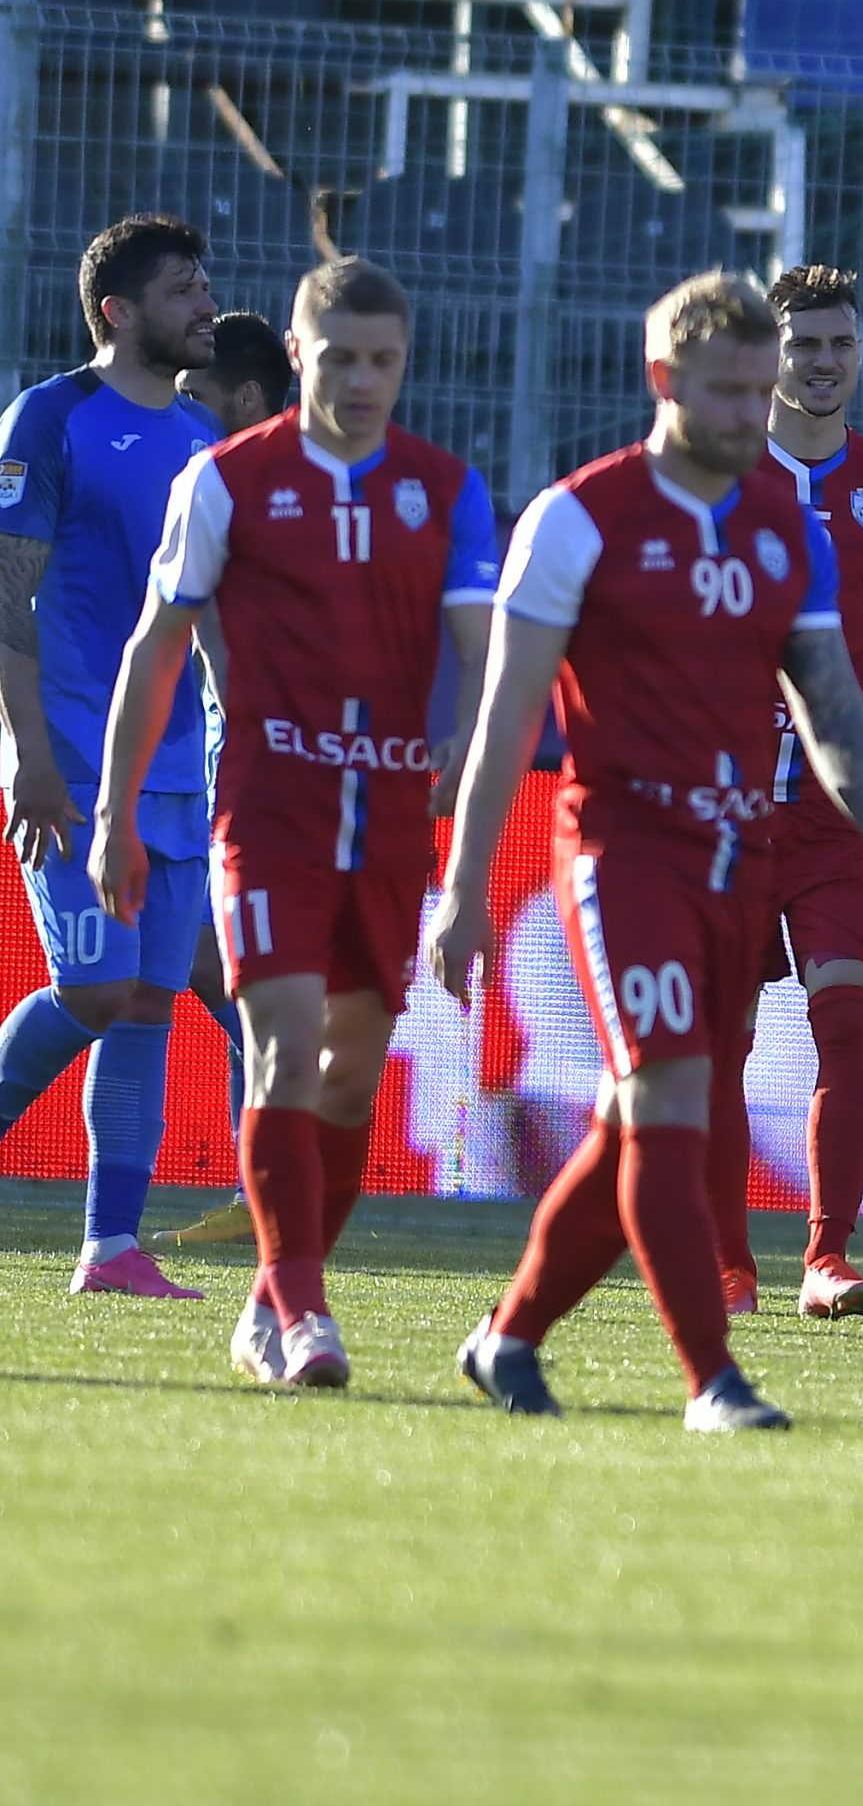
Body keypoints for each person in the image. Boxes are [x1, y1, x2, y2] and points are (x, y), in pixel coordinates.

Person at [426, 271, 863, 1433]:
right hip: (623, 854)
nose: (757, 412)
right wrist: (461, 889)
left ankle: (507, 1338)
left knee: (634, 1121)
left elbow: (833, 705)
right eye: (731, 389)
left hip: (742, 853)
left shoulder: (779, 528)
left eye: (764, 389)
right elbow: (509, 717)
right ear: (665, 381)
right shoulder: (580, 517)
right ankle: (712, 1378)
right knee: (665, 1095)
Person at [92, 258, 495, 1388]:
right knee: (279, 1045)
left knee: (352, 1080)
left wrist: (465, 752)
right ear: (295, 352)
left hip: (390, 822)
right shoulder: (225, 482)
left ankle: (274, 1296)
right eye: (340, 358)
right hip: (269, 805)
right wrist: (116, 812)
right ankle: (308, 1316)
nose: (362, 381)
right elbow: (156, 648)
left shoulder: (445, 489)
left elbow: (484, 654)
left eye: (384, 362)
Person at [714, 262, 863, 1323]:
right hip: (719, 805)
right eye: (802, 345)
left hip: (833, 811)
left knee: (848, 1019)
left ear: (858, 354)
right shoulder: (710, 478)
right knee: (717, 1045)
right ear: (767, 356)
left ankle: (826, 1258)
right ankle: (728, 1266)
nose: (820, 363)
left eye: (838, 345)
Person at [0, 214, 218, 1297]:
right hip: (75, 766)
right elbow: (5, 595)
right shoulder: (50, 420)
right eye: (182, 289)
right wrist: (28, 756)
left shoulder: (203, 438)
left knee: (143, 1004)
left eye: (203, 283)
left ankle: (111, 1246)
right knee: (92, 990)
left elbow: (215, 619)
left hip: (179, 777)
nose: (204, 303)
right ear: (117, 312)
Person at [157, 308, 294, 1250]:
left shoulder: (268, 493)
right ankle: (271, 1180)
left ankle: (274, 1186)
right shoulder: (225, 487)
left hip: (268, 764)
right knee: (213, 962)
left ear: (244, 397)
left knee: (225, 965)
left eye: (196, 398)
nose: (182, 413)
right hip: (229, 754)